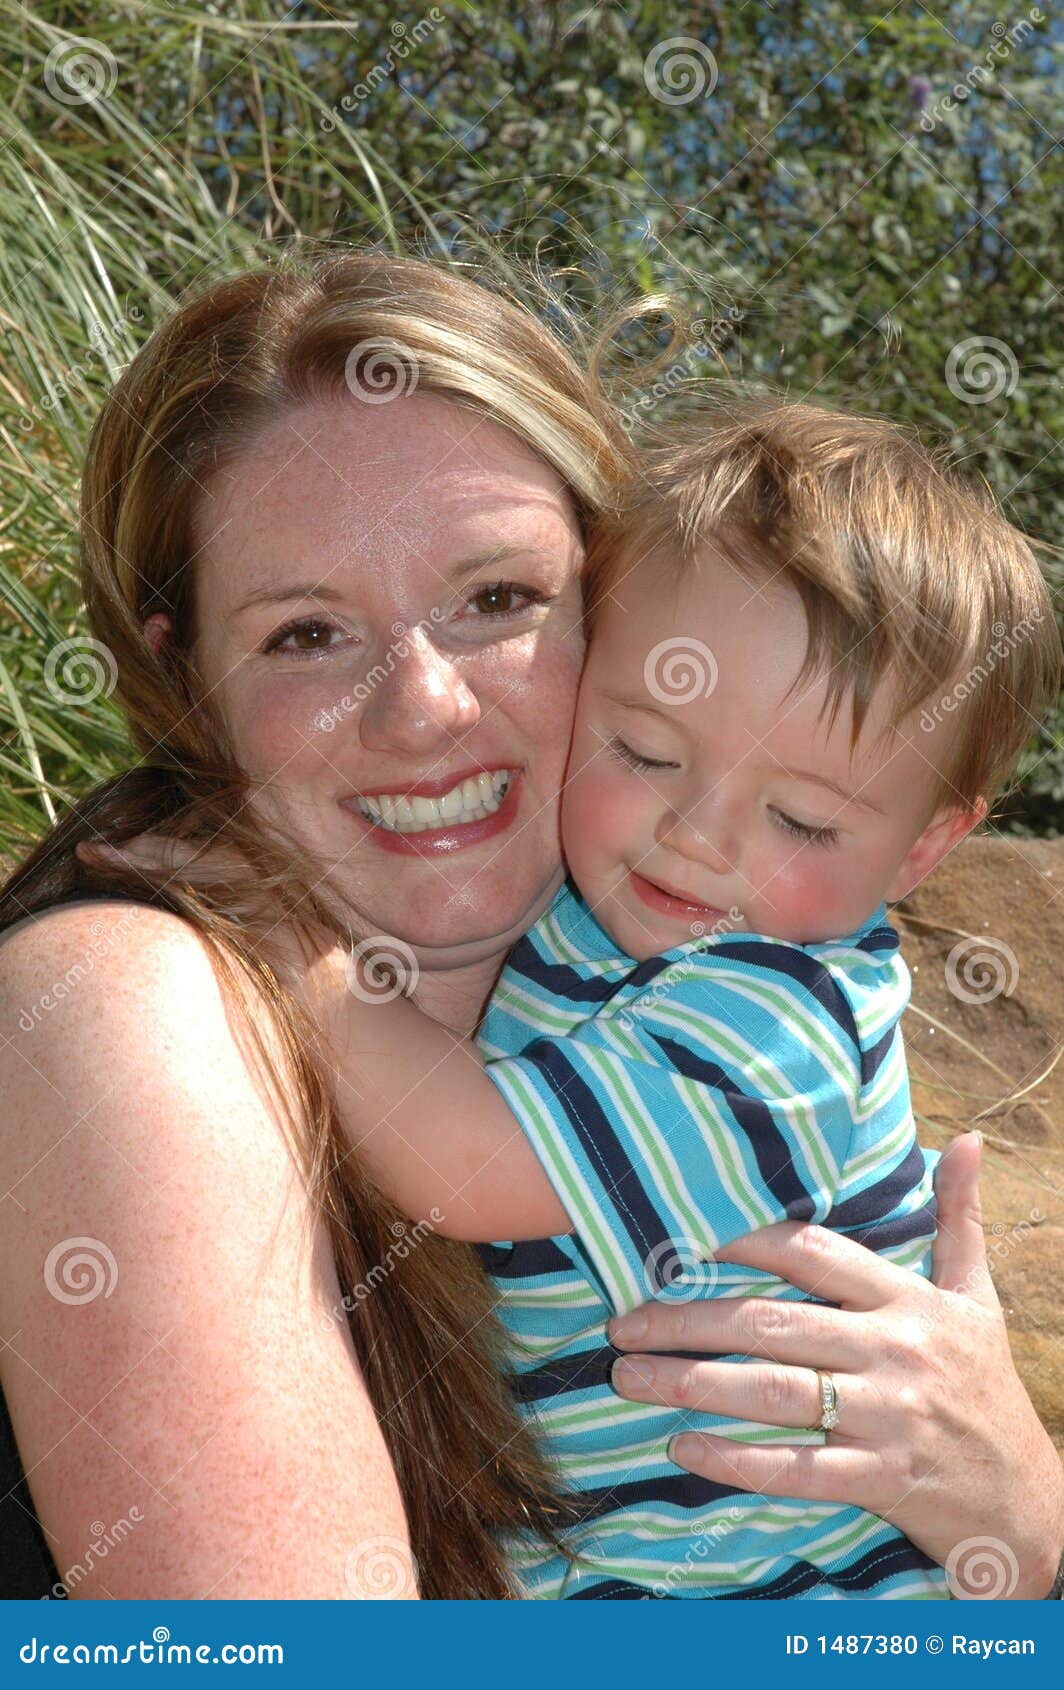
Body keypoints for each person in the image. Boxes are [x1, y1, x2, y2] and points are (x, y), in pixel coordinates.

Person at [0, 252, 1061, 1600]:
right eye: (309, 633)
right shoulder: (129, 999)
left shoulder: (698, 973)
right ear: (183, 673)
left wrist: (1019, 1505)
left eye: (497, 599)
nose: (425, 707)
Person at [321, 399, 1061, 1597]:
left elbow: (463, 1165)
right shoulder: (589, 927)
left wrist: (287, 956)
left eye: (801, 819)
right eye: (647, 753)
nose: (697, 836)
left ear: (923, 848)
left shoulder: (784, 1020)